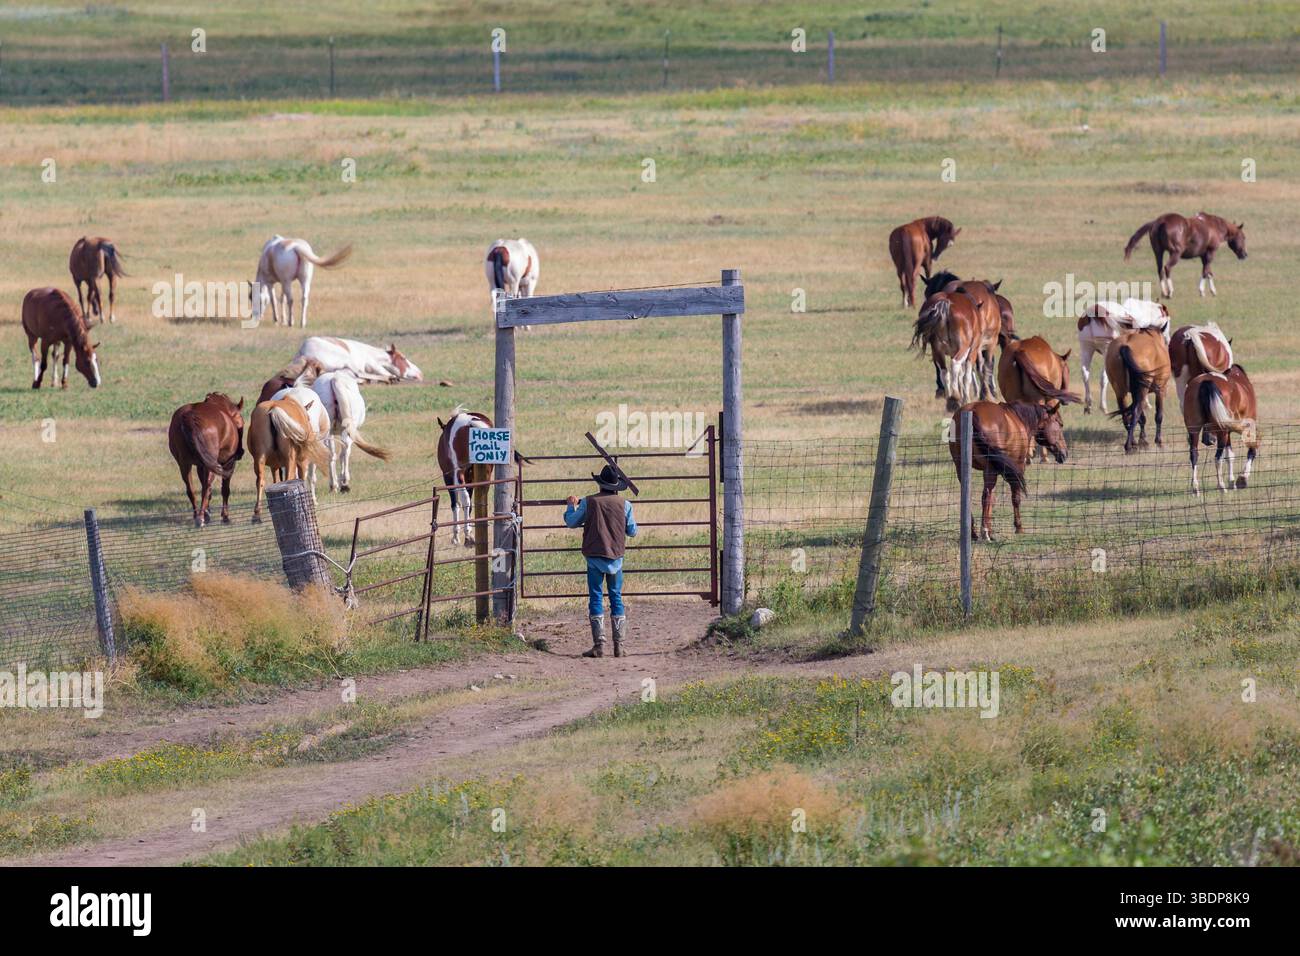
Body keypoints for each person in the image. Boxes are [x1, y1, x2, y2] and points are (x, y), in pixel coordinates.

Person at [564, 464, 637, 658]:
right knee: (616, 597)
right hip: (616, 557)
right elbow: (632, 531)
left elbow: (572, 522)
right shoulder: (625, 504)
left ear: (600, 484)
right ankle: (619, 646)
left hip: (594, 556)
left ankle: (599, 646)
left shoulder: (589, 502)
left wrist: (571, 505)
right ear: (616, 486)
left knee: (595, 597)